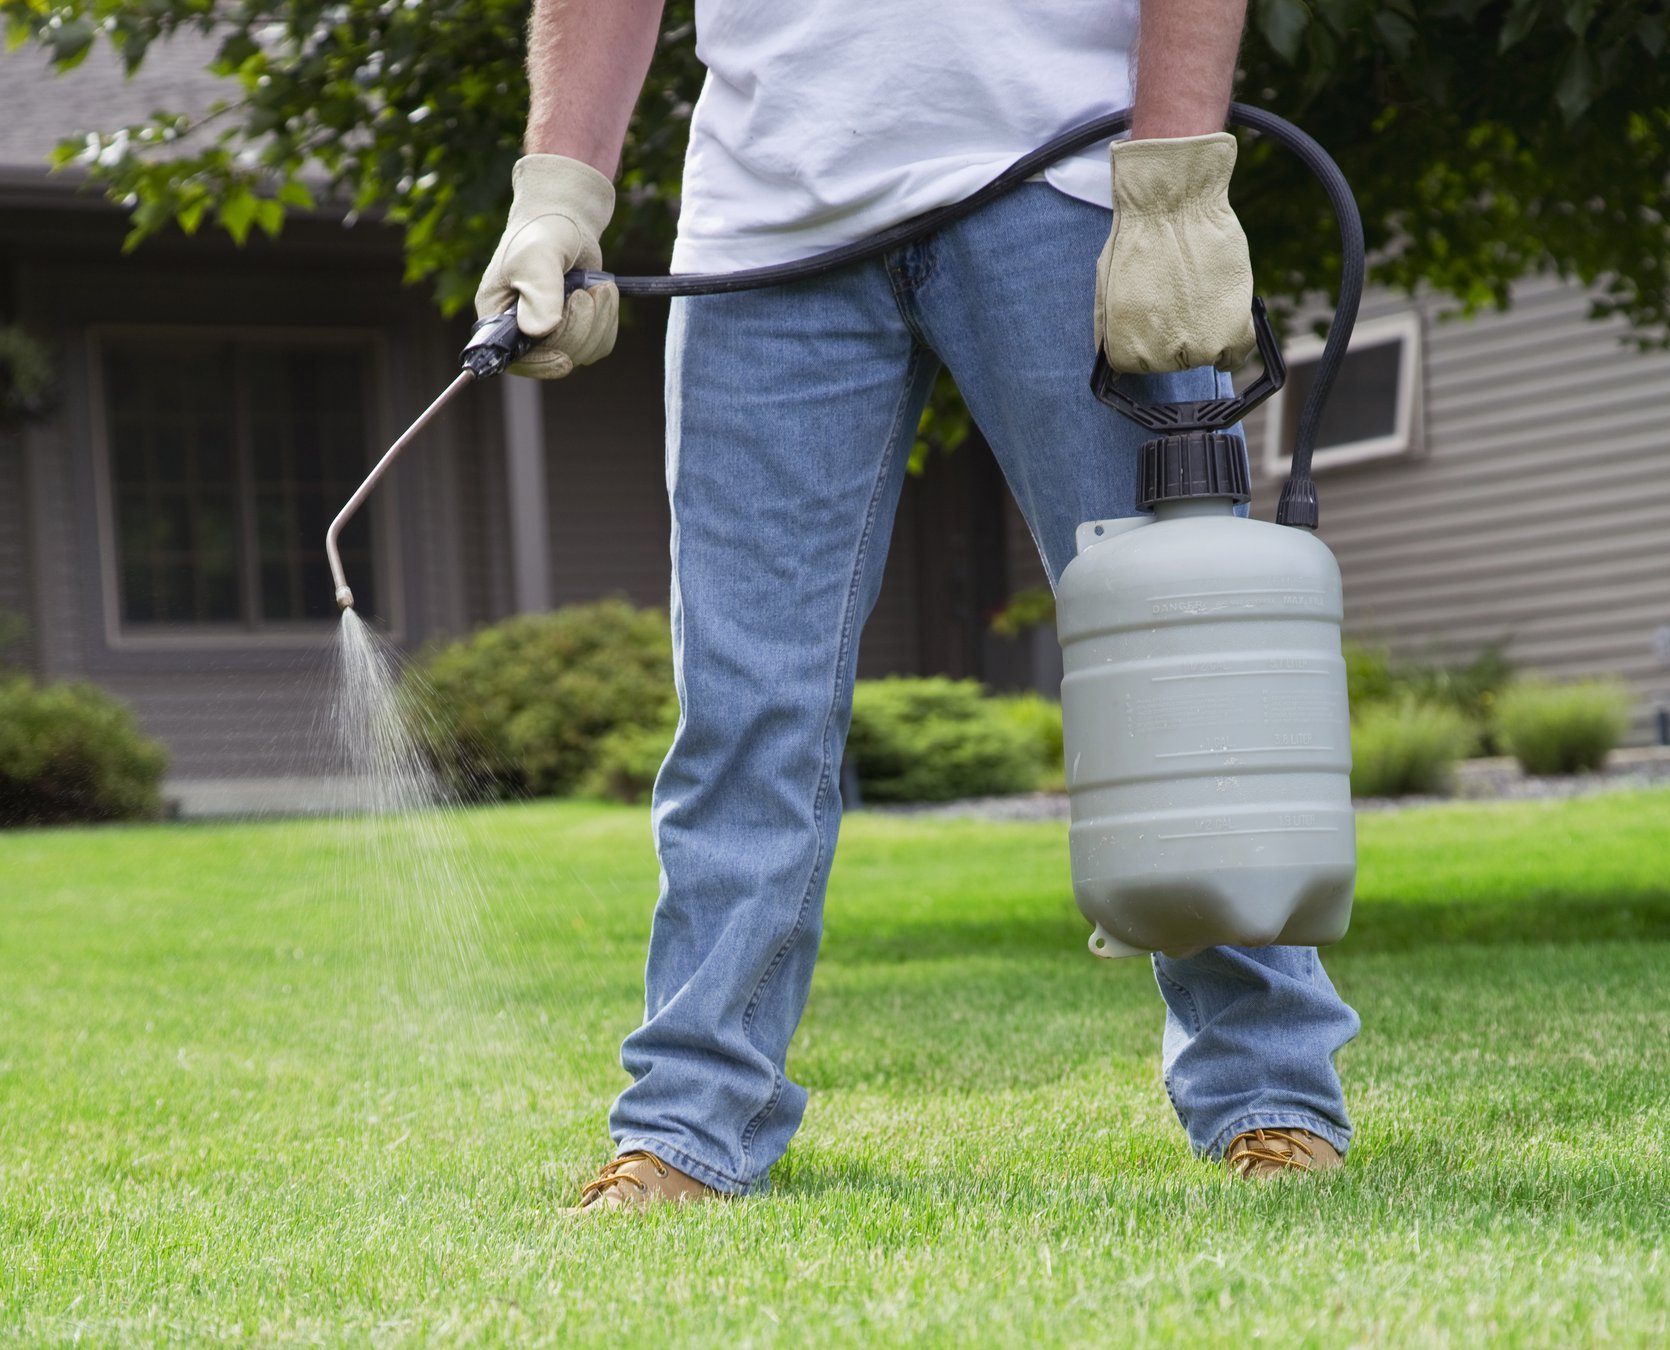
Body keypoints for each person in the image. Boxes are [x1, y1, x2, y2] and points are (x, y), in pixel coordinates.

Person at [476, 0, 1361, 1211]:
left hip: (1070, 183)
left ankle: (1268, 1094)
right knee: (744, 704)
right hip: (764, 228)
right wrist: (558, 193)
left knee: (1181, 652)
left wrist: (1174, 176)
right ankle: (688, 1124)